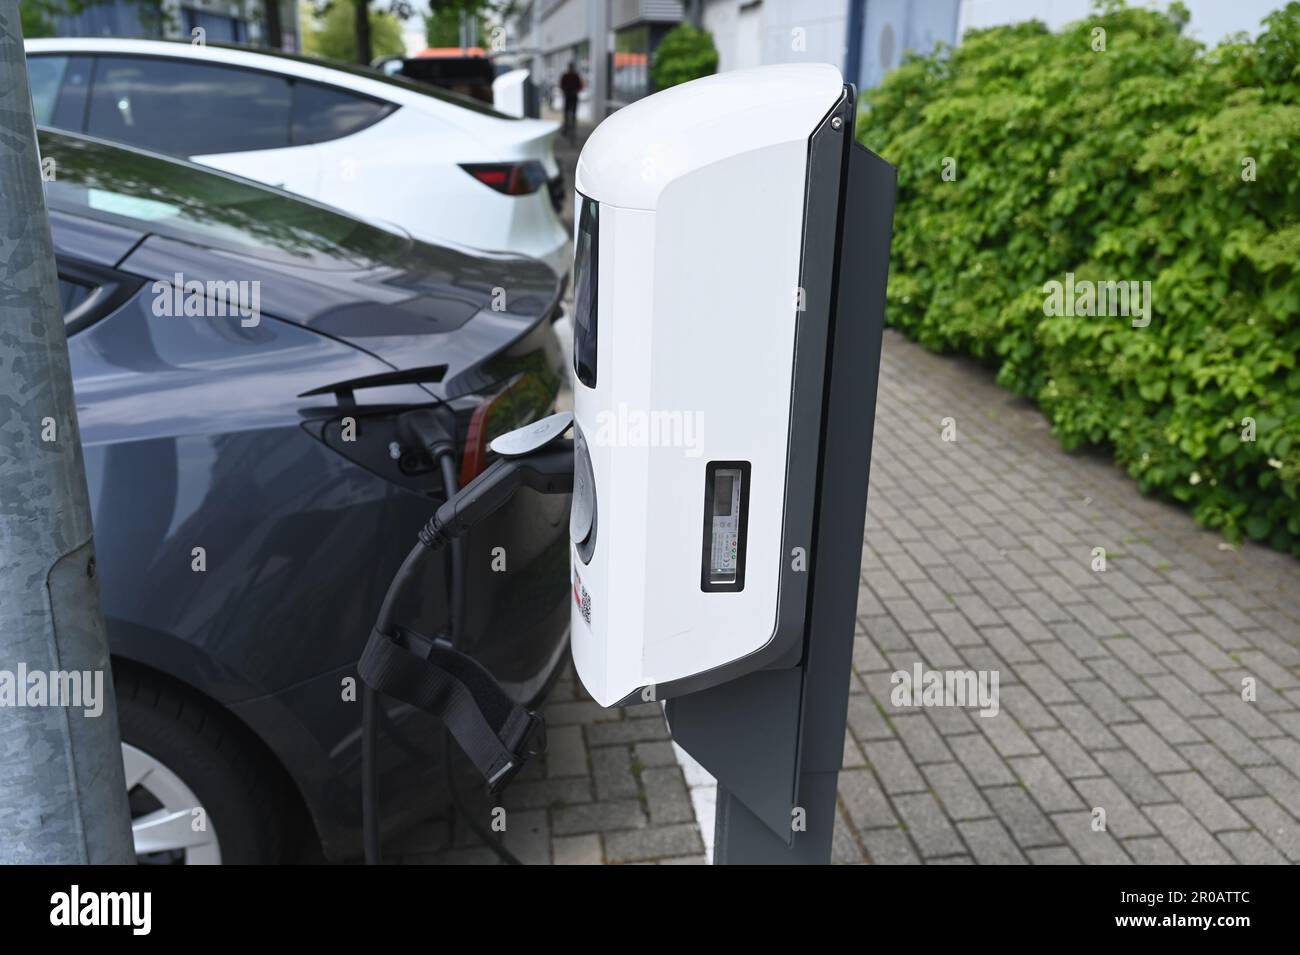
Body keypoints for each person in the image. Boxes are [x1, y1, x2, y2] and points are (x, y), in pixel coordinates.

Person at [559, 62, 583, 141]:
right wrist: (575, 91)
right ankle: (571, 128)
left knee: (567, 113)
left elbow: (561, 86)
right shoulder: (575, 76)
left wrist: (566, 90)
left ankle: (567, 128)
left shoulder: (566, 76)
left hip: (568, 96)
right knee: (572, 113)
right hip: (572, 96)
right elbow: (580, 86)